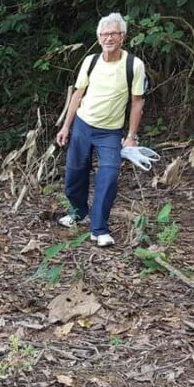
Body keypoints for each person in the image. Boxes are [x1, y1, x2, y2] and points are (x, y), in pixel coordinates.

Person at [55, 13, 147, 247]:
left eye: (114, 34)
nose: (109, 38)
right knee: (75, 173)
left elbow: (137, 101)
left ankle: (99, 229)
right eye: (105, 34)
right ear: (98, 38)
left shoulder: (133, 65)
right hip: (83, 125)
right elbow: (78, 93)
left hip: (111, 132)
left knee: (108, 176)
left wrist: (131, 137)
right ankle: (77, 213)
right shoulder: (90, 61)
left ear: (123, 37)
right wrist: (66, 126)